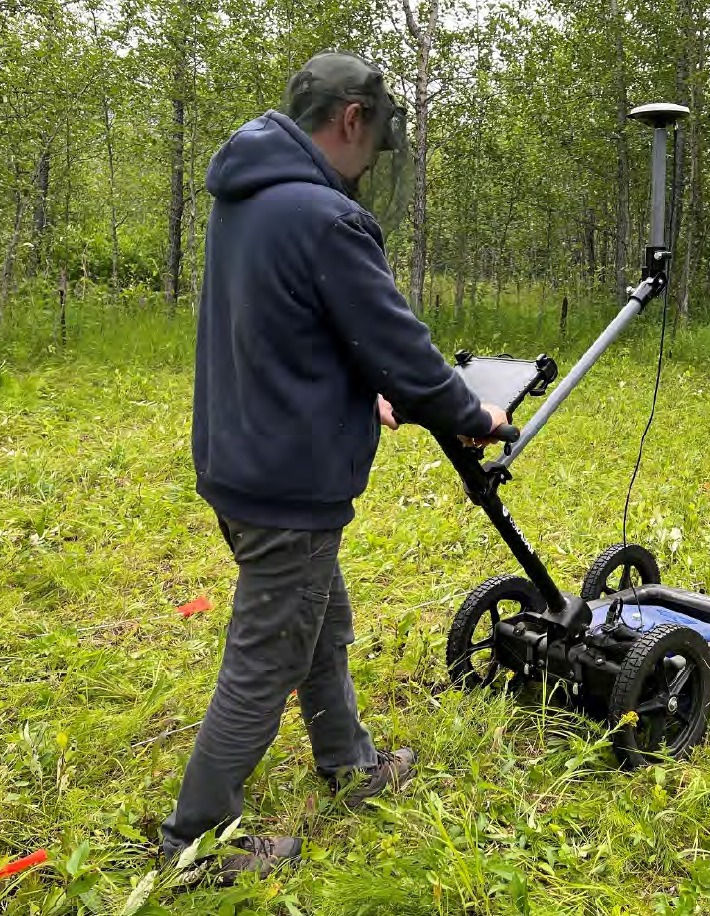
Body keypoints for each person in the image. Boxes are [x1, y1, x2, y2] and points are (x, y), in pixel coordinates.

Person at [160, 50, 508, 881]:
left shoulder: (245, 200)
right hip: (289, 482)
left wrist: (364, 394)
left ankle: (350, 763)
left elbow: (291, 329)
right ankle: (195, 841)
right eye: (376, 141)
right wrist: (471, 414)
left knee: (321, 623)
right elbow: (398, 344)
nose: (372, 164)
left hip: (242, 458)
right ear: (352, 119)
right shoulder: (325, 218)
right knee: (267, 654)